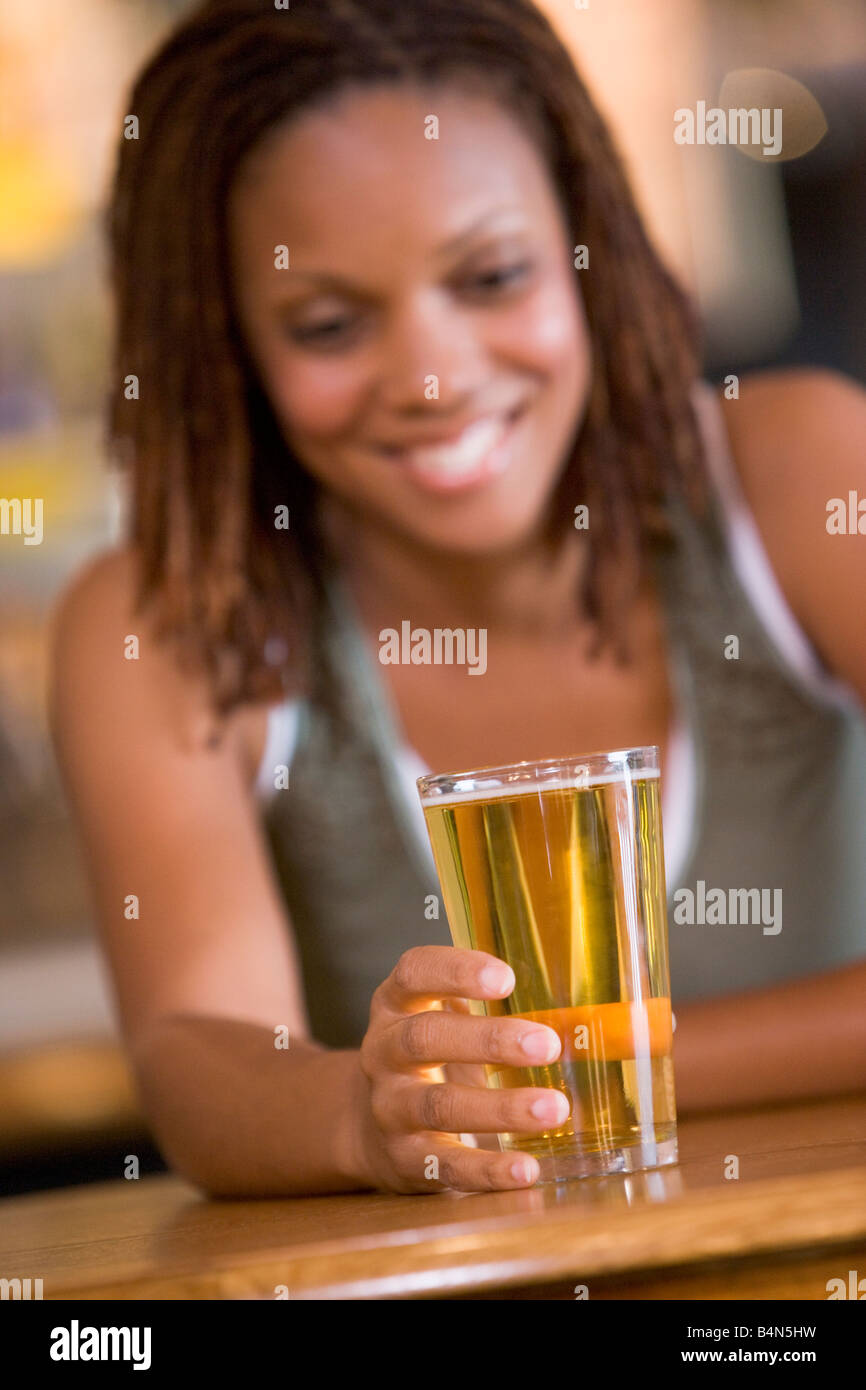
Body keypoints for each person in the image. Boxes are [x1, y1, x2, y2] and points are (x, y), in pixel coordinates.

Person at [49, 0, 866, 1197]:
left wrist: (558, 1076)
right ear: (224, 340)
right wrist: (357, 1113)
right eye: (327, 323)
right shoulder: (159, 617)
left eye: (489, 275)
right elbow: (197, 1056)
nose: (431, 379)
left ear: (587, 242)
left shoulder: (795, 470)